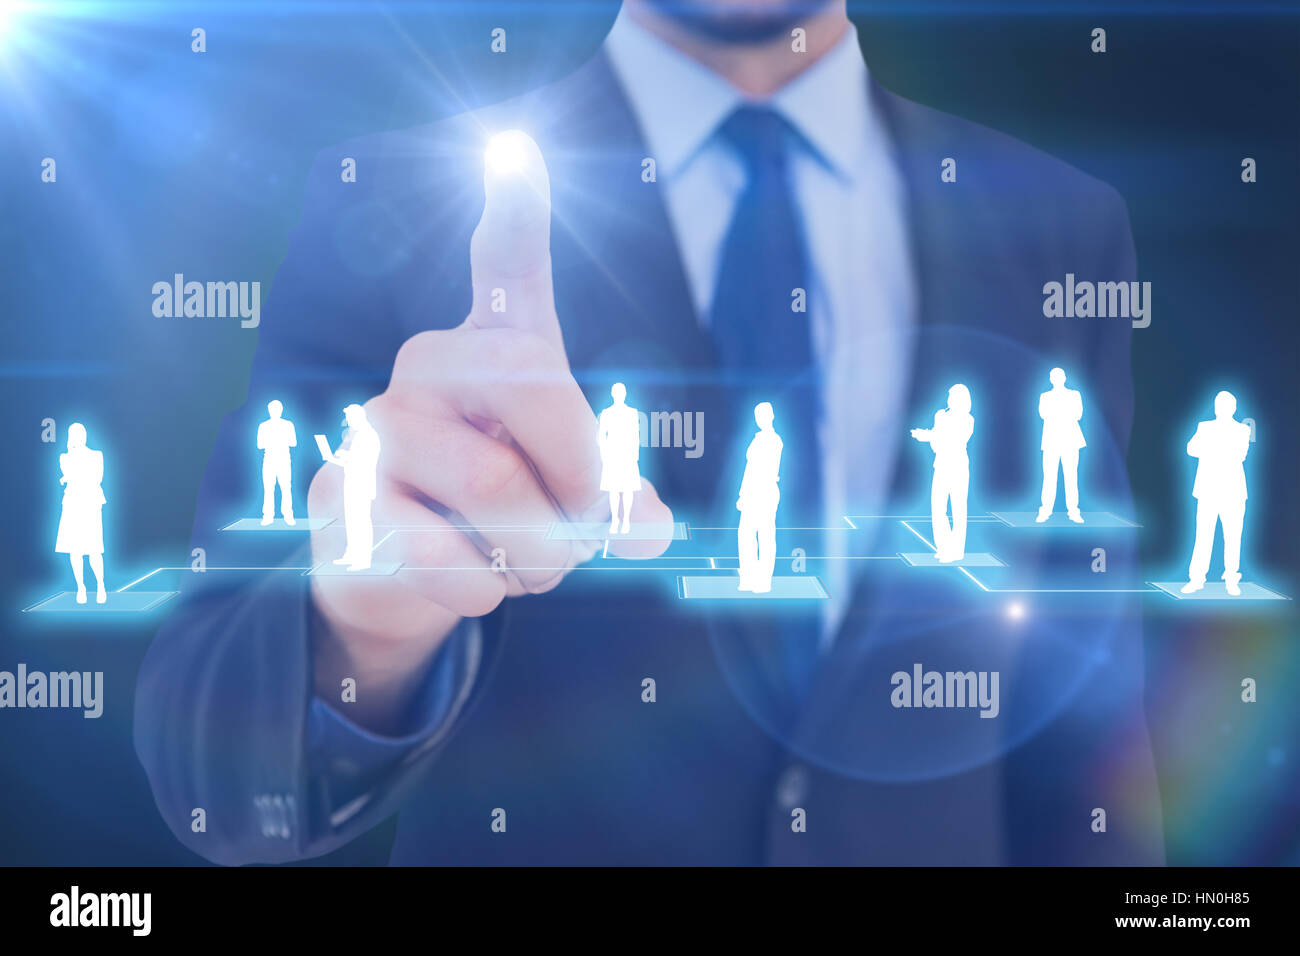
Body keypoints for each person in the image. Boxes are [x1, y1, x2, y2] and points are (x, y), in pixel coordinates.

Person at [137, 0, 1163, 865]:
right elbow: (212, 772)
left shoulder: (1059, 230)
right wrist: (364, 626)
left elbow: (1084, 720)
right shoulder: (399, 199)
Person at [1182, 391, 1251, 596]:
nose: (1221, 408)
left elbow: (1240, 455)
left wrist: (1211, 447)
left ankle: (1231, 578)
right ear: (1215, 407)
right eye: (1218, 404)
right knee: (1203, 536)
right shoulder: (1205, 427)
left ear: (1233, 408)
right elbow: (1191, 449)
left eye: (1225, 404)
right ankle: (1196, 579)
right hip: (1208, 490)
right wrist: (1214, 447)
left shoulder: (1242, 430)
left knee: (1233, 537)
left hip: (1233, 491)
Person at [910, 385, 974, 563]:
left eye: (954, 397)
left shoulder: (968, 419)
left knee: (958, 510)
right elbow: (937, 438)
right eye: (949, 397)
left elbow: (951, 438)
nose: (950, 400)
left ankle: (956, 551)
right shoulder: (941, 416)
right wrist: (926, 435)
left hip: (959, 467)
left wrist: (930, 435)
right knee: (938, 508)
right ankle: (944, 547)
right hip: (941, 465)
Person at [322, 404, 381, 571]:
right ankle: (352, 554)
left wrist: (346, 457)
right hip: (353, 481)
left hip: (361, 483)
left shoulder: (368, 435)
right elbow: (355, 461)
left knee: (360, 521)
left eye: (349, 418)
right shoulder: (359, 435)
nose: (347, 421)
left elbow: (364, 462)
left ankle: (362, 560)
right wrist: (338, 459)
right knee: (351, 520)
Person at [55, 423, 107, 604]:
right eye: (73, 433)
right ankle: (81, 588)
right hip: (72, 504)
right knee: (75, 550)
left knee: (93, 549)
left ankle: (100, 585)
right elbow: (69, 475)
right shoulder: (64, 457)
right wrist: (69, 477)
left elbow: (97, 478)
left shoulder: (96, 455)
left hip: (90, 503)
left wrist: (69, 478)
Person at [737, 402, 782, 592]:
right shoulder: (757, 440)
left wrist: (750, 493)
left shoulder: (773, 441)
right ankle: (748, 578)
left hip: (764, 492)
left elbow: (761, 472)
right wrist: (743, 493)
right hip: (752, 493)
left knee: (765, 537)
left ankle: (763, 581)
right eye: (757, 415)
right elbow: (749, 470)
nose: (759, 418)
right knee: (746, 535)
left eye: (763, 415)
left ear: (771, 416)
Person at [1036, 368, 1086, 523]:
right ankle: (1045, 510)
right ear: (1051, 379)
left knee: (1071, 477)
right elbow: (1043, 414)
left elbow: (1078, 414)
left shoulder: (1074, 395)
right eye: (1054, 376)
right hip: (1051, 441)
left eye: (1059, 376)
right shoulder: (1045, 397)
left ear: (1064, 378)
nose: (1057, 378)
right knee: (1049, 478)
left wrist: (1059, 412)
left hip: (1070, 441)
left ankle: (1073, 511)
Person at [597, 383, 643, 534]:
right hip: (612, 455)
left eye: (621, 392)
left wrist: (634, 455)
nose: (619, 395)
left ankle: (626, 521)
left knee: (628, 490)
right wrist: (604, 454)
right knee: (614, 491)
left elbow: (635, 435)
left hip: (627, 455)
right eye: (617, 392)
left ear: (624, 394)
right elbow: (601, 435)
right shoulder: (606, 413)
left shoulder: (632, 413)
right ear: (612, 394)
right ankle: (615, 520)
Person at [257, 399, 298, 526]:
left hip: (283, 460)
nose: (274, 412)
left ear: (281, 410)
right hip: (269, 460)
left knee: (286, 488)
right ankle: (268, 516)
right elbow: (259, 445)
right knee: (269, 489)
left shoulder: (288, 425)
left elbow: (293, 442)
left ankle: (288, 515)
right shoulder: (263, 426)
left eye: (277, 409)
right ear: (269, 411)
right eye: (272, 409)